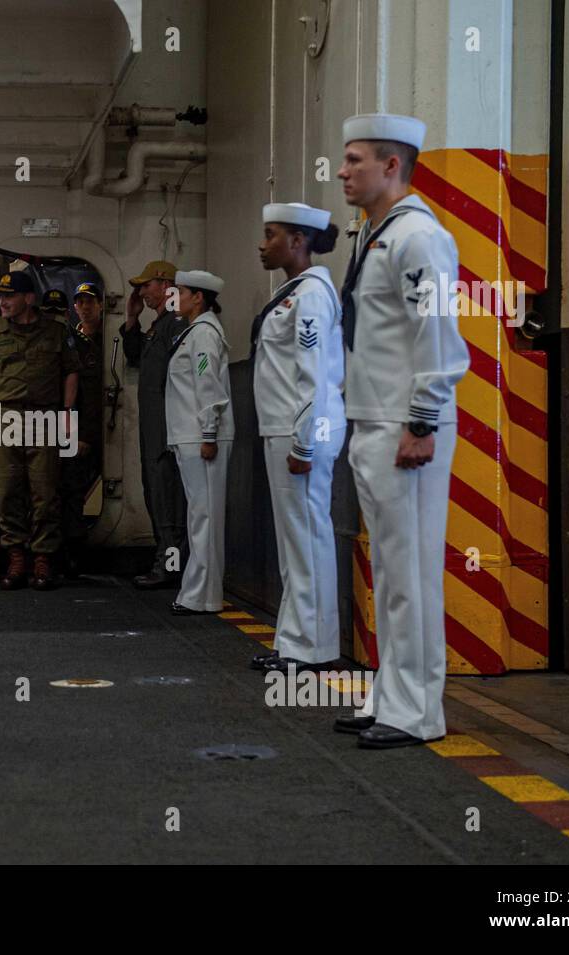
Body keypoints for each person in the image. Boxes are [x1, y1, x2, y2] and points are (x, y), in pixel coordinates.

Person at [334, 113, 469, 749]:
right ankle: (391, 696)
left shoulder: (418, 237)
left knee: (410, 572)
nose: (341, 171)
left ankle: (417, 712)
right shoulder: (376, 235)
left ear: (392, 166)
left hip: (403, 426)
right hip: (373, 419)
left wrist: (421, 421)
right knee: (389, 572)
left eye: (355, 160)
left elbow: (438, 338)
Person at [249, 202, 346, 674]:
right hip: (286, 429)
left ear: (298, 240)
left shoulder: (309, 297)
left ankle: (308, 648)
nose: (262, 244)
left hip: (300, 432)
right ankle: (298, 643)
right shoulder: (294, 293)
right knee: (298, 543)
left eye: (271, 234)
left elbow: (314, 378)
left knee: (306, 541)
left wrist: (304, 444)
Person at [0, 270, 81, 590]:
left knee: (45, 492)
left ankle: (43, 558)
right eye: (0, 296)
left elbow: (71, 373)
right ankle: (16, 556)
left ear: (29, 298)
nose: (2, 302)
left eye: (10, 296)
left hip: (45, 418)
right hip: (5, 418)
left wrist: (66, 414)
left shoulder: (56, 331)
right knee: (8, 492)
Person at [163, 270, 232, 615]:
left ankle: (199, 595)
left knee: (204, 516)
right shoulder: (194, 333)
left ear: (199, 298)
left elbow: (208, 387)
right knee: (201, 515)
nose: (175, 299)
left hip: (202, 437)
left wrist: (208, 433)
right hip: (191, 436)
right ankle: (203, 594)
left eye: (181, 293)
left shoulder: (203, 335)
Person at [122, 260, 187, 589]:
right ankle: (168, 563)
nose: (142, 292)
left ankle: (170, 566)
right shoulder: (157, 326)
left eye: (146, 286)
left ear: (165, 285)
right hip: (154, 428)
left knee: (168, 502)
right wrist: (132, 318)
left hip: (166, 429)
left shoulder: (177, 324)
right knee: (156, 495)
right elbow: (133, 356)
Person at [58, 282, 105, 577]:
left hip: (91, 427)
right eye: (80, 303)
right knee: (67, 489)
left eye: (90, 301)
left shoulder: (105, 339)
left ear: (100, 304)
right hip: (66, 427)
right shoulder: (71, 340)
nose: (84, 307)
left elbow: (94, 394)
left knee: (82, 488)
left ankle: (76, 549)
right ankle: (67, 551)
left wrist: (87, 434)